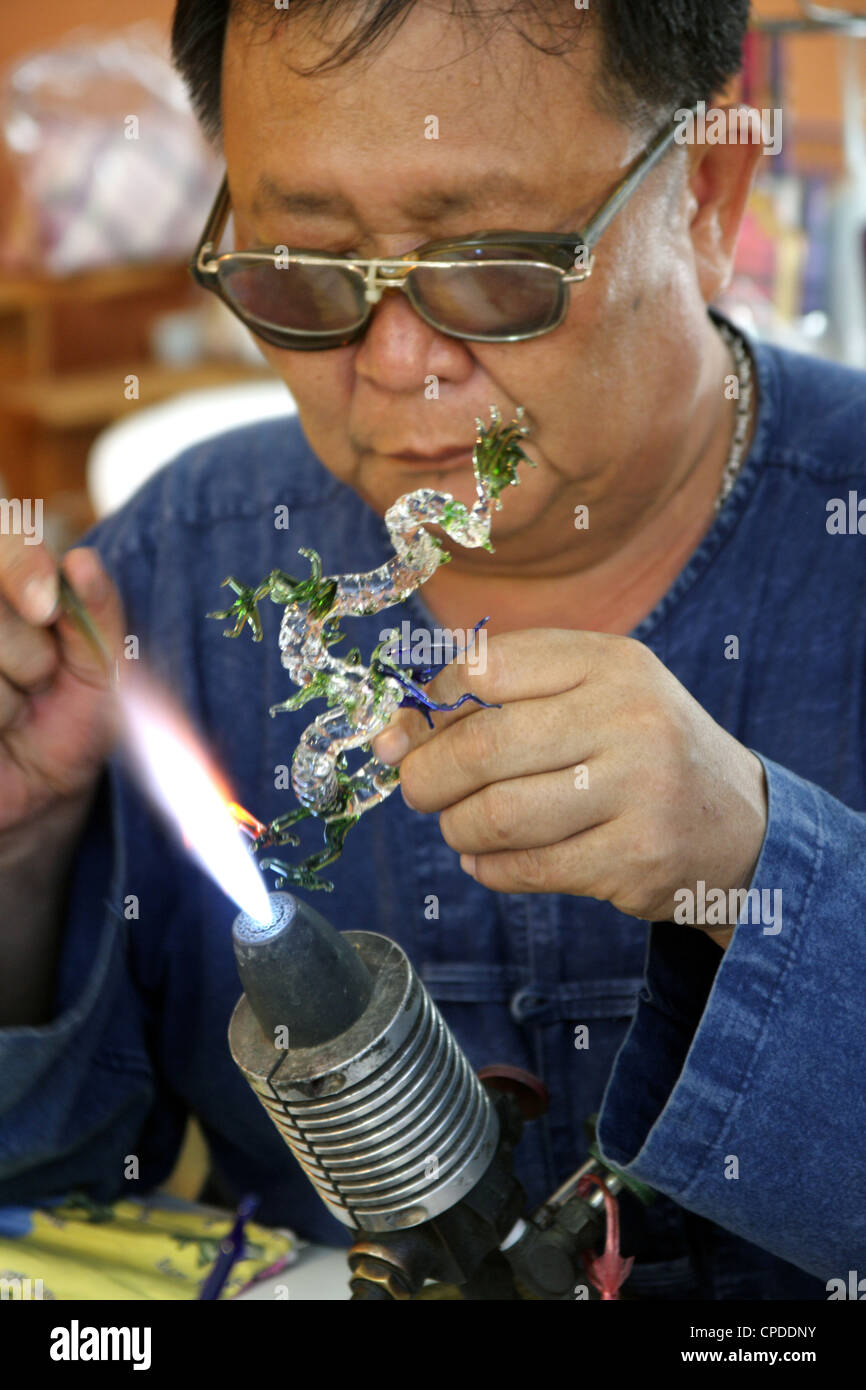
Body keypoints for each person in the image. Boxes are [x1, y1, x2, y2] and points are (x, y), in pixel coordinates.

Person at [0, 0, 863, 1300]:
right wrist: (25, 851)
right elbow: (50, 1181)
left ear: (704, 196)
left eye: (495, 270)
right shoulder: (185, 563)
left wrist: (753, 854)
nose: (400, 364)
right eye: (303, 275)